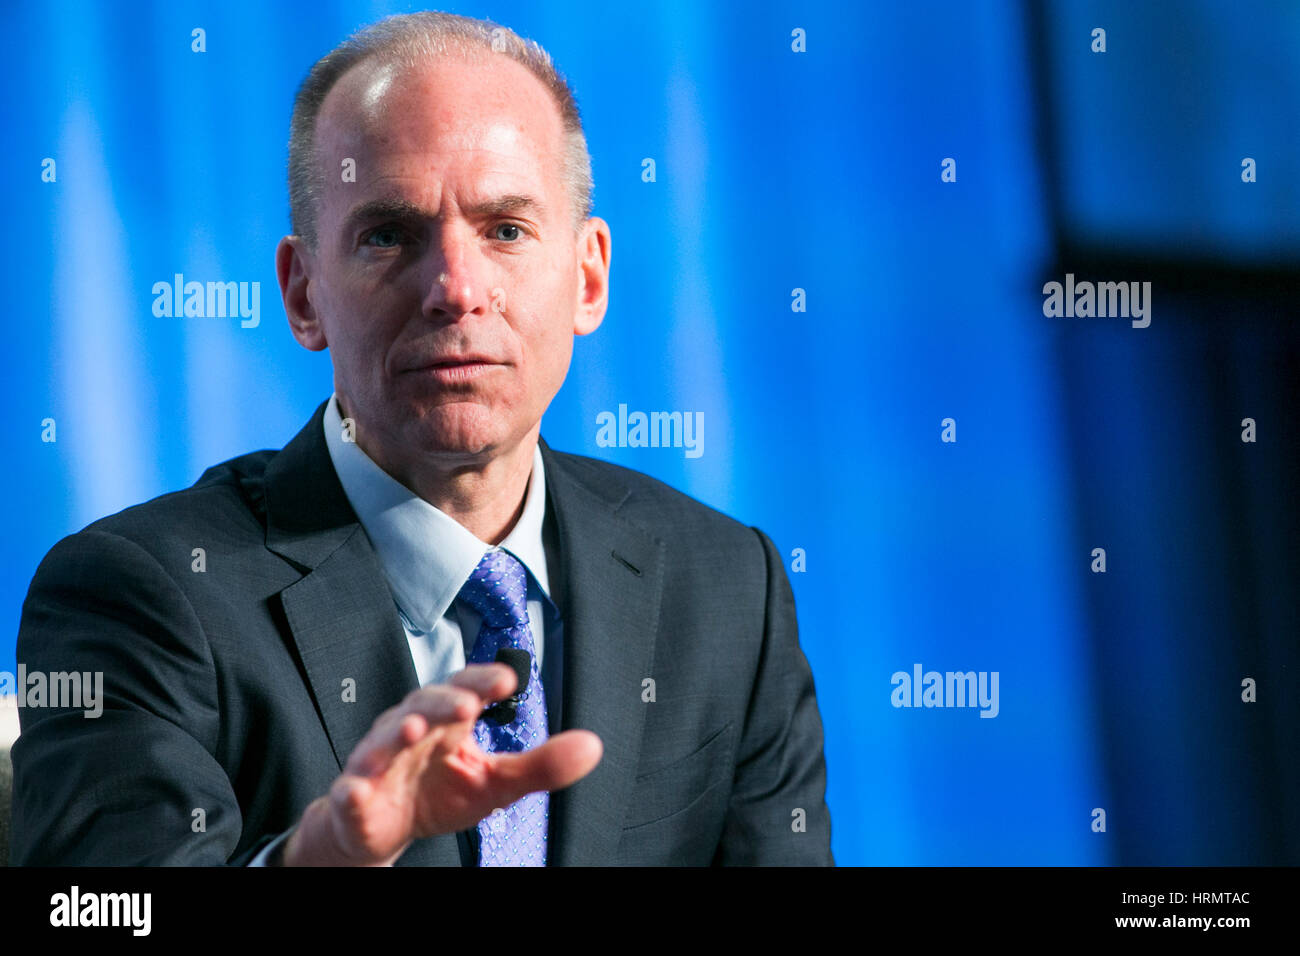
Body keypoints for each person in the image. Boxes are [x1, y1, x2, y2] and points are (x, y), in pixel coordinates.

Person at [9, 10, 833, 867]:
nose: (456, 287)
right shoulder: (139, 595)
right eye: (391, 235)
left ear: (588, 276)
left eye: (506, 230)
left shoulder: (731, 588)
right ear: (303, 294)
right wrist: (318, 859)